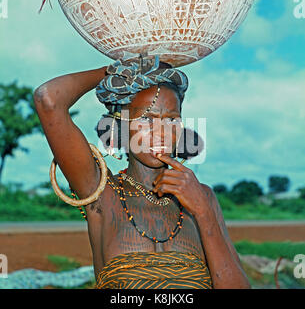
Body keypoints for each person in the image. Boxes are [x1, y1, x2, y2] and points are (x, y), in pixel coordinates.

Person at [34, 55, 251, 289]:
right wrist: (116, 73)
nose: (161, 132)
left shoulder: (203, 197)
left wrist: (203, 212)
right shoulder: (101, 192)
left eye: (171, 119)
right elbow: (48, 99)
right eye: (147, 119)